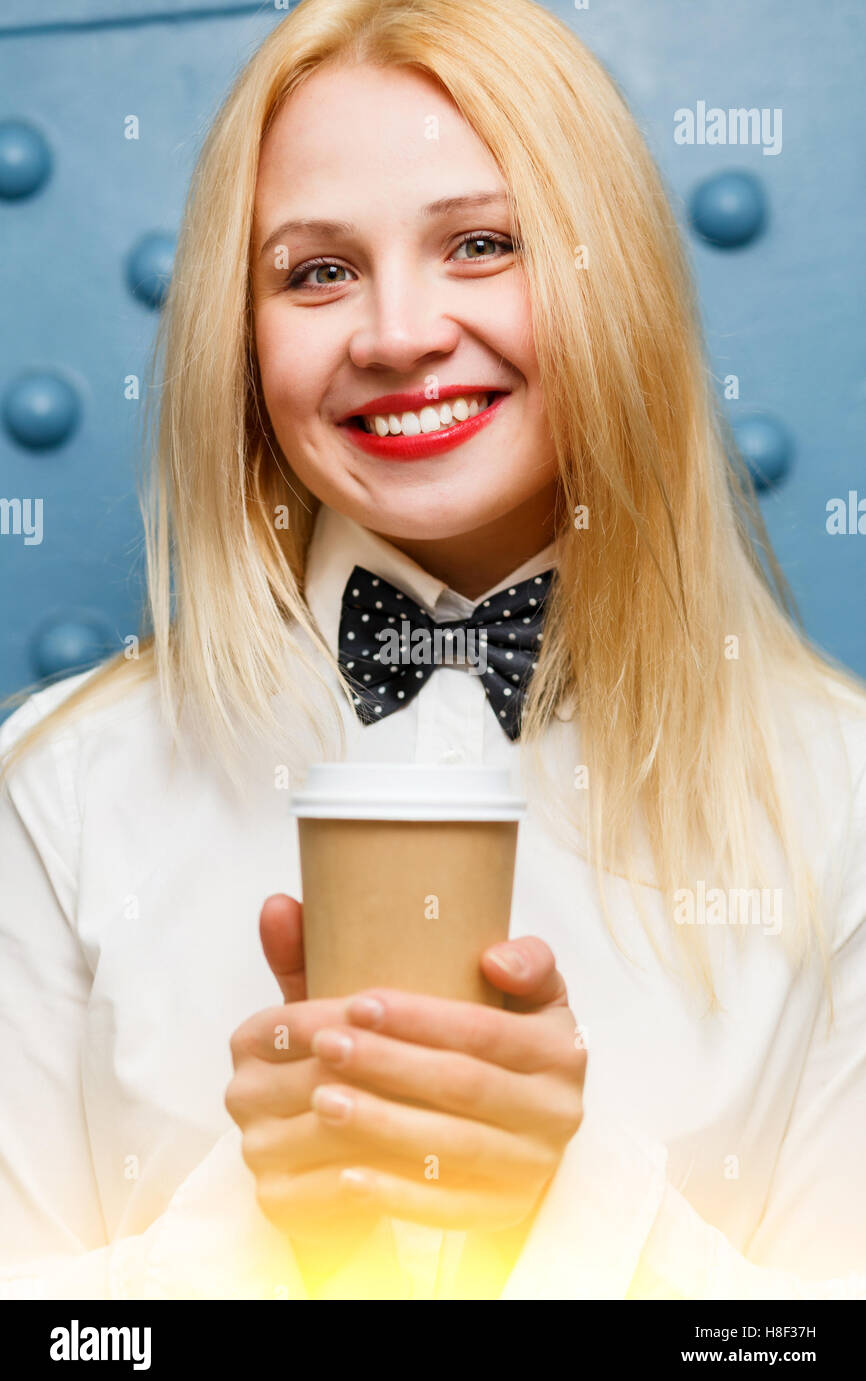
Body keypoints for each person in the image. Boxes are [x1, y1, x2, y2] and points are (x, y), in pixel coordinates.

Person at [1, 0, 865, 1301]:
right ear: (238, 343)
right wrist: (269, 1222)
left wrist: (566, 1206)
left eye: (480, 243)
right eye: (315, 271)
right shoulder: (52, 790)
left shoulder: (840, 800)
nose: (394, 331)